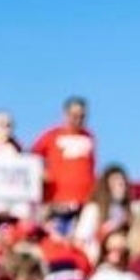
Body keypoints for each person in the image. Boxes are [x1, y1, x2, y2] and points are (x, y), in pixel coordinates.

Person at [30, 96, 97, 232]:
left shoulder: (89, 136)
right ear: (65, 114)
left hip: (85, 201)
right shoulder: (51, 135)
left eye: (82, 116)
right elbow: (31, 157)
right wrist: (43, 174)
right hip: (58, 201)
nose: (78, 120)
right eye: (74, 115)